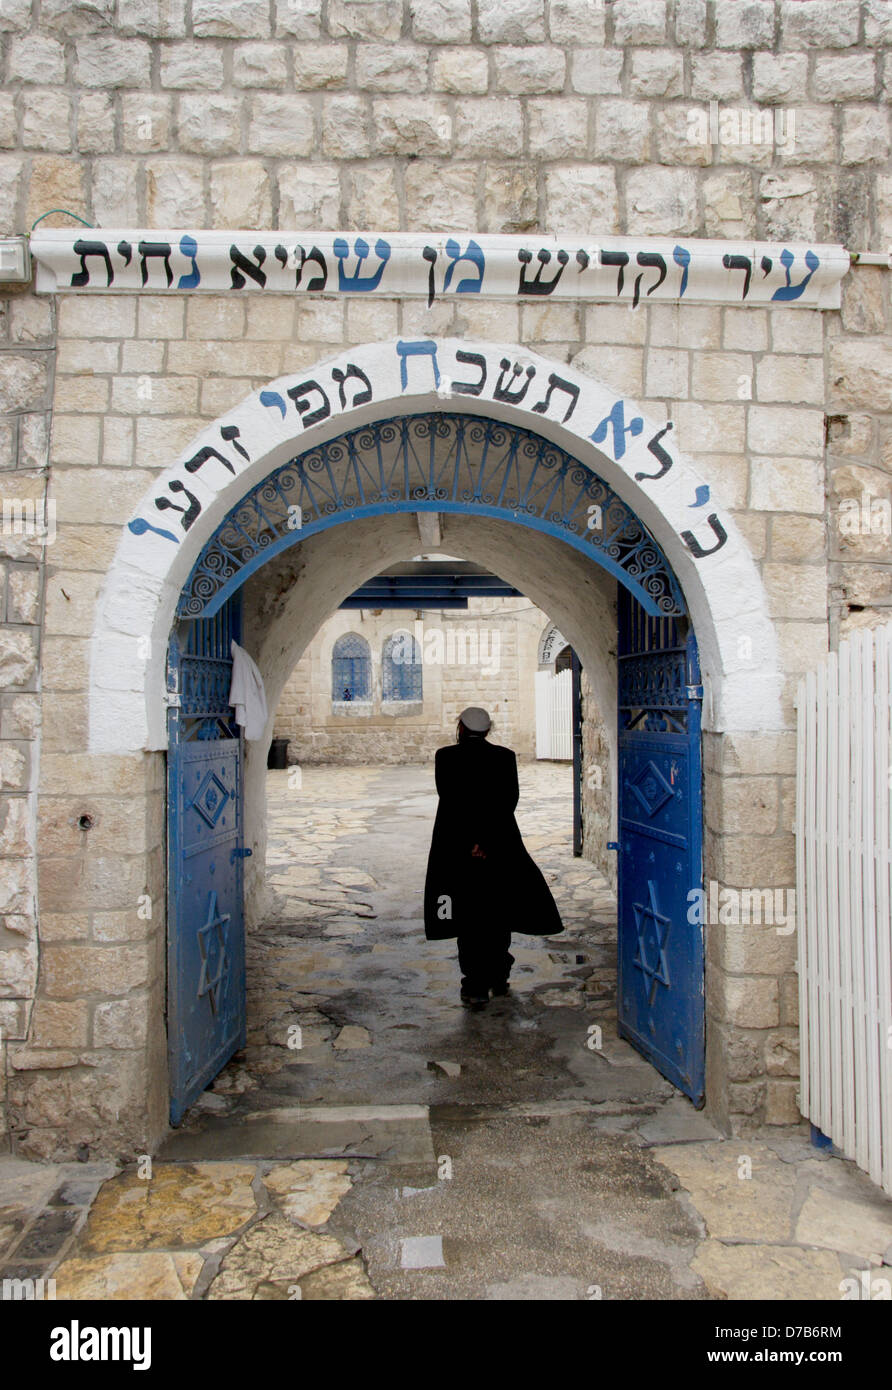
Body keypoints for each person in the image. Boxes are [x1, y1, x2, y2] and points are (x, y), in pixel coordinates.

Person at [423, 706, 563, 1007]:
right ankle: (499, 974)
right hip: (499, 846)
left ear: (461, 728)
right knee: (498, 910)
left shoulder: (445, 757)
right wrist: (486, 841)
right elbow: (507, 801)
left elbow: (452, 801)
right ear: (488, 730)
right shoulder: (504, 757)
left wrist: (470, 842)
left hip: (457, 848)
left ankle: (474, 984)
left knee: (467, 915)